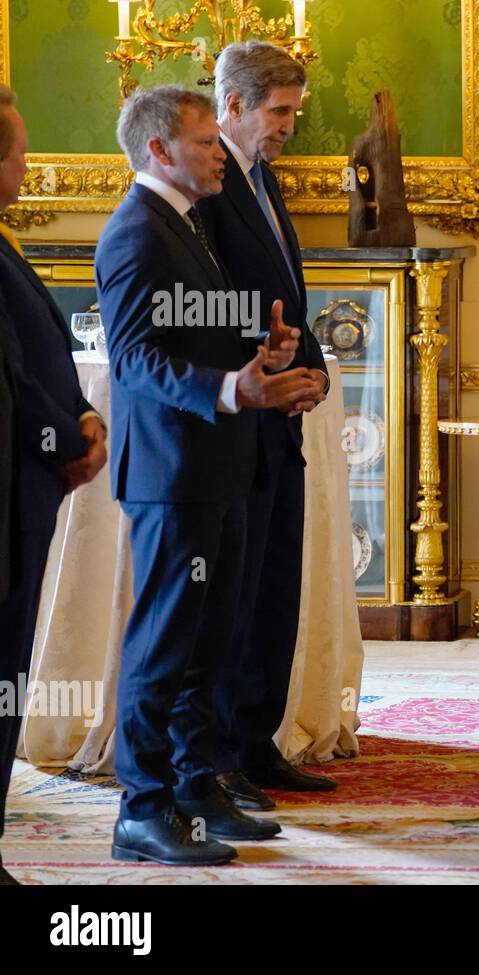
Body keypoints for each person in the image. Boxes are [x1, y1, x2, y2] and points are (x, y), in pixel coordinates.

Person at [95, 84, 318, 865]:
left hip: (218, 464)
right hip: (173, 471)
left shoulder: (188, 224)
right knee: (164, 644)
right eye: (203, 142)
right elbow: (135, 359)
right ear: (159, 149)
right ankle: (141, 807)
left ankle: (195, 786)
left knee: (209, 641)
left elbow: (194, 331)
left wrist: (265, 357)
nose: (219, 152)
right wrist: (234, 389)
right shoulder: (135, 232)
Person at [197, 40, 335, 812]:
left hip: (279, 415)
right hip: (239, 416)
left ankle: (257, 744)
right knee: (234, 600)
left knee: (276, 584)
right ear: (236, 106)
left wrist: (308, 369)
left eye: (294, 111)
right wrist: (271, 371)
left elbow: (283, 291)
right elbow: (211, 302)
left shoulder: (261, 177)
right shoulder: (208, 180)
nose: (288, 126)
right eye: (279, 112)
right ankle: (218, 760)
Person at [0, 84, 107, 885]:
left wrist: (80, 418)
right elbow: (8, 376)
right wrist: (67, 439)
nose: (28, 163)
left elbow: (45, 357)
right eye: (18, 150)